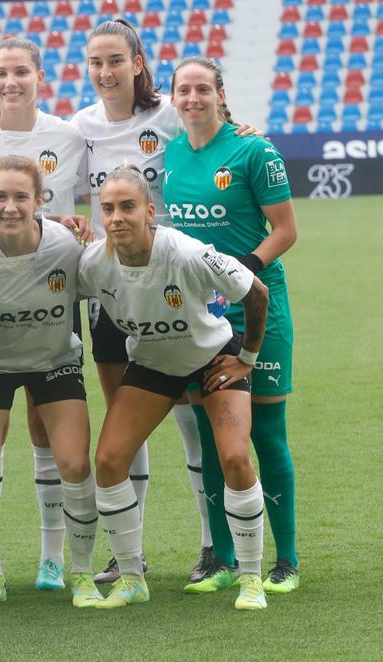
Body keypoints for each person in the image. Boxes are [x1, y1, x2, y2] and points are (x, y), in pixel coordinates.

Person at [73, 19, 261, 585]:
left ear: (136, 63)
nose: (105, 72)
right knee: (123, 423)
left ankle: (211, 545)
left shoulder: (167, 115)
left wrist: (238, 127)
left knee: (192, 424)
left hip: (180, 278)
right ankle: (129, 556)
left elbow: (212, 124)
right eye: (96, 62)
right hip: (116, 286)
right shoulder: (76, 128)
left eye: (115, 60)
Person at [78, 165, 273, 610]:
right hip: (153, 364)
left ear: (150, 211)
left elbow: (256, 292)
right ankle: (131, 578)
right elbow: (55, 291)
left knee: (235, 457)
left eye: (128, 207)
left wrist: (247, 360)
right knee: (108, 461)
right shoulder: (92, 263)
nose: (116, 218)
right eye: (107, 209)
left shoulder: (185, 252)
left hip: (212, 358)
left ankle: (250, 579)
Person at [0, 35, 89, 593]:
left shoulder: (70, 135)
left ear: (39, 75)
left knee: (55, 443)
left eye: (21, 72)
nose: (11, 82)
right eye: (1, 73)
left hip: (53, 301)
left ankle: (58, 561)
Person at [0, 155, 101, 610]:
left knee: (73, 464)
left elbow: (103, 277)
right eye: (1, 197)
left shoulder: (66, 245)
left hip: (54, 360)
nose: (10, 207)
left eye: (21, 197)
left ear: (40, 201)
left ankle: (83, 574)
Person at [164, 56, 301, 595]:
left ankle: (285, 560)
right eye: (184, 91)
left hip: (259, 306)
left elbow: (286, 229)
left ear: (220, 95)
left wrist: (243, 272)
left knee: (265, 434)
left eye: (203, 89)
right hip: (201, 313)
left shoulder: (254, 150)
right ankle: (221, 558)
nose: (193, 99)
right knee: (207, 431)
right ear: (173, 98)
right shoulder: (172, 153)